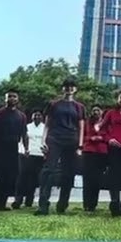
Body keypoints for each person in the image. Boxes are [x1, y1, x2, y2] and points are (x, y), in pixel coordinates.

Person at [35, 78, 86, 216]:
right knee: (48, 171)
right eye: (66, 86)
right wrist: (43, 140)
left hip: (72, 141)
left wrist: (80, 146)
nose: (69, 88)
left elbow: (81, 127)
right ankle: (43, 205)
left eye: (72, 86)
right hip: (55, 139)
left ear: (75, 89)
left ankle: (63, 204)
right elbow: (47, 124)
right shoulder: (53, 104)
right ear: (62, 88)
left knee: (68, 173)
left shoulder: (79, 107)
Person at [14, 110, 45, 209]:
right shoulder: (27, 127)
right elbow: (21, 139)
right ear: (31, 117)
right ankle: (18, 200)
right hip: (26, 154)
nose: (37, 117)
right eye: (35, 115)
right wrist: (24, 150)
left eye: (39, 115)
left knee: (34, 179)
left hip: (39, 155)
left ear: (42, 117)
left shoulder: (45, 128)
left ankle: (29, 200)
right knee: (22, 177)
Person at [81, 105, 109, 212]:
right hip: (89, 152)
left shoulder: (106, 123)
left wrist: (101, 138)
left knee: (97, 179)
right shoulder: (87, 123)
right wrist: (91, 138)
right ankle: (86, 204)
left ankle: (93, 204)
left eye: (98, 110)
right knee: (87, 178)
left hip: (102, 153)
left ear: (101, 112)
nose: (96, 112)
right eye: (94, 110)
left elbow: (110, 136)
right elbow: (82, 136)